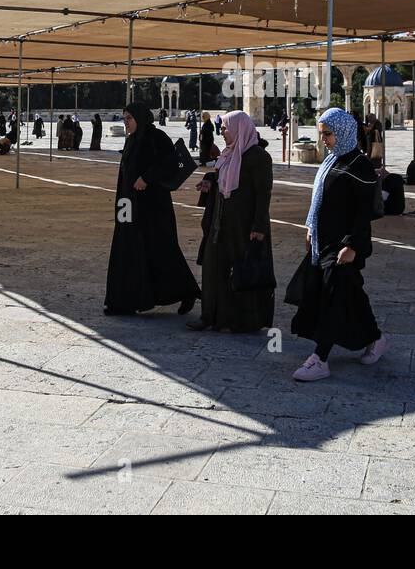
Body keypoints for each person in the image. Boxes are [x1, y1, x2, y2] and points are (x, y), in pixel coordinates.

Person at [289, 107, 386, 382]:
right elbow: (320, 198)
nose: (324, 140)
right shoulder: (332, 160)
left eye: (328, 134)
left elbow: (364, 211)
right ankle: (375, 338)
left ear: (343, 131)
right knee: (350, 292)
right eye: (322, 134)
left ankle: (320, 358)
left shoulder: (360, 165)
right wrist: (311, 227)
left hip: (344, 245)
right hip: (325, 241)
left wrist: (353, 244)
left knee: (332, 297)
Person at [104, 101, 200, 316]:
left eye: (129, 118)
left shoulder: (157, 138)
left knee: (161, 251)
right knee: (129, 250)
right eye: (124, 119)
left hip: (154, 208)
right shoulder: (131, 141)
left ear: (140, 117)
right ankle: (126, 301)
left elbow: (171, 163)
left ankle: (186, 291)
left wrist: (147, 177)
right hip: (129, 205)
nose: (126, 123)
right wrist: (122, 208)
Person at [190, 111, 274, 333]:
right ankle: (210, 316)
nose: (222, 132)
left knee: (241, 271)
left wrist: (259, 227)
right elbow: (222, 179)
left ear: (239, 129)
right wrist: (209, 182)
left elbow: (263, 194)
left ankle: (241, 320)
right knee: (212, 268)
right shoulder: (228, 154)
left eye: (226, 128)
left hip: (243, 227)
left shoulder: (258, 157)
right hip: (220, 223)